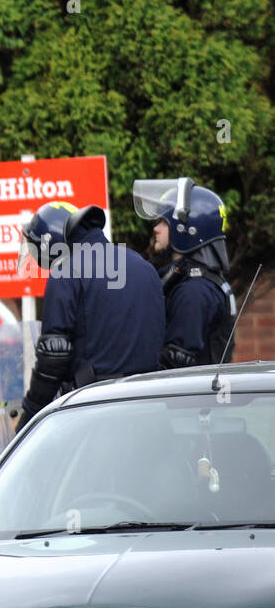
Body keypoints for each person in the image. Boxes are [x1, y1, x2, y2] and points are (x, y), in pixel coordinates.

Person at [15, 202, 164, 431]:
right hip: (152, 407)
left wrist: (31, 414)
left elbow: (53, 356)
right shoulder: (143, 266)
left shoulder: (67, 272)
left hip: (95, 411)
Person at [134, 179, 235, 368]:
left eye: (164, 222)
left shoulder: (194, 292)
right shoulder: (204, 283)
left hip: (185, 397)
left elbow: (175, 364)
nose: (156, 229)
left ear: (187, 229)